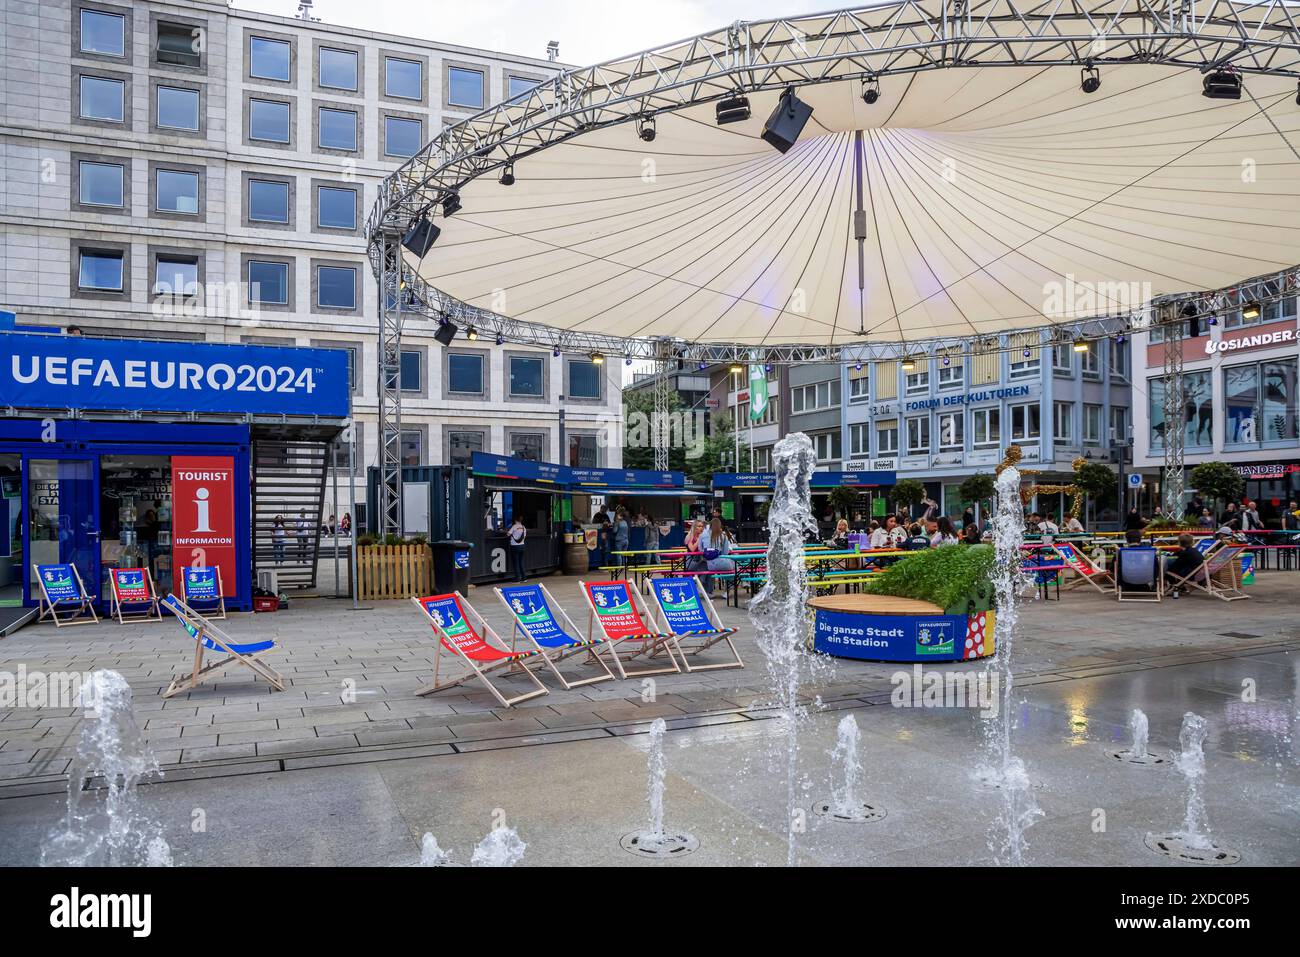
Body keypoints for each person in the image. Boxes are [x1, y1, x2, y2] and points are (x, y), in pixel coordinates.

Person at [699, 517, 735, 596]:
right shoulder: (723, 536)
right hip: (723, 563)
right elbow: (725, 553)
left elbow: (700, 550)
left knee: (704, 566)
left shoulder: (702, 535)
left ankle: (708, 591)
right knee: (735, 566)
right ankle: (727, 591)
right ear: (720, 526)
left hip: (710, 565)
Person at [1164, 533, 1205, 598]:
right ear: (1192, 542)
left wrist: (1165, 572)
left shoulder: (1185, 553)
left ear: (1179, 543)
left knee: (1168, 571)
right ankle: (1181, 588)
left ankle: (1175, 587)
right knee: (1176, 569)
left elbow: (1175, 566)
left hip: (1192, 575)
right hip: (1200, 573)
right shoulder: (1193, 550)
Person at [508, 516, 527, 582]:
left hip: (515, 546)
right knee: (521, 562)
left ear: (515, 520)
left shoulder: (514, 526)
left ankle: (517, 578)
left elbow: (508, 534)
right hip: (522, 546)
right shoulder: (523, 527)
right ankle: (524, 578)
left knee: (516, 563)